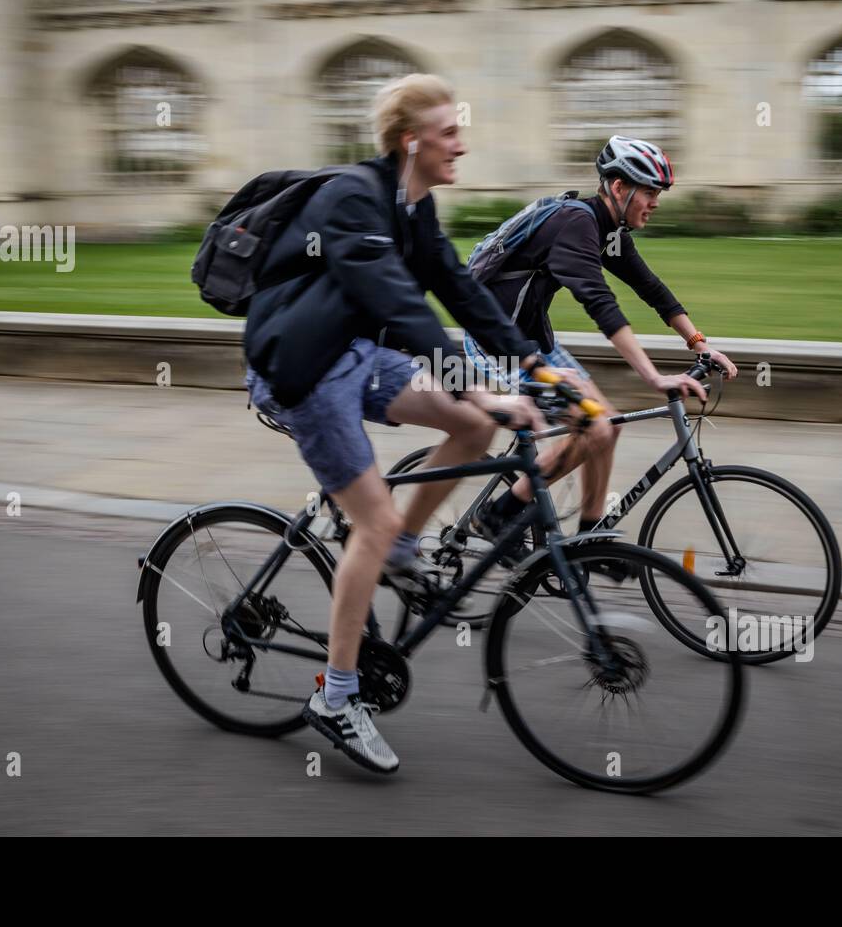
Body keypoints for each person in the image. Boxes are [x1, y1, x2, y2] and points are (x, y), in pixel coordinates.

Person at [242, 74, 607, 774]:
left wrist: (537, 367)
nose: (460, 145)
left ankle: (405, 550)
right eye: (448, 133)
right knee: (370, 521)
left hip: (357, 354)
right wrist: (481, 384)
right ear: (412, 142)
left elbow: (460, 290)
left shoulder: (415, 207)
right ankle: (336, 696)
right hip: (303, 372)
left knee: (474, 427)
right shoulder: (351, 198)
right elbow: (401, 304)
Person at [465, 136, 738, 573]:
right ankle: (496, 514)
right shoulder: (576, 222)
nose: (655, 202)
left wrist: (700, 344)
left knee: (605, 425)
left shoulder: (609, 230)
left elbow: (650, 288)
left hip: (534, 342)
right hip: (495, 343)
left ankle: (589, 543)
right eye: (649, 192)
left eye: (657, 194)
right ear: (616, 187)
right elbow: (599, 302)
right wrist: (654, 377)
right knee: (594, 427)